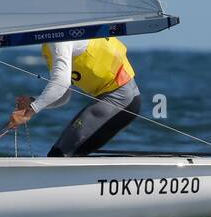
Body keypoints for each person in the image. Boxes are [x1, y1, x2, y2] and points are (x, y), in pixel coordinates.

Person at [8, 38, 141, 157]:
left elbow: (61, 85)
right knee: (61, 154)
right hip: (110, 100)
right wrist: (33, 101)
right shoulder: (51, 43)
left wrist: (30, 111)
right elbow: (63, 95)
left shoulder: (60, 38)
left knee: (59, 155)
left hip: (122, 101)